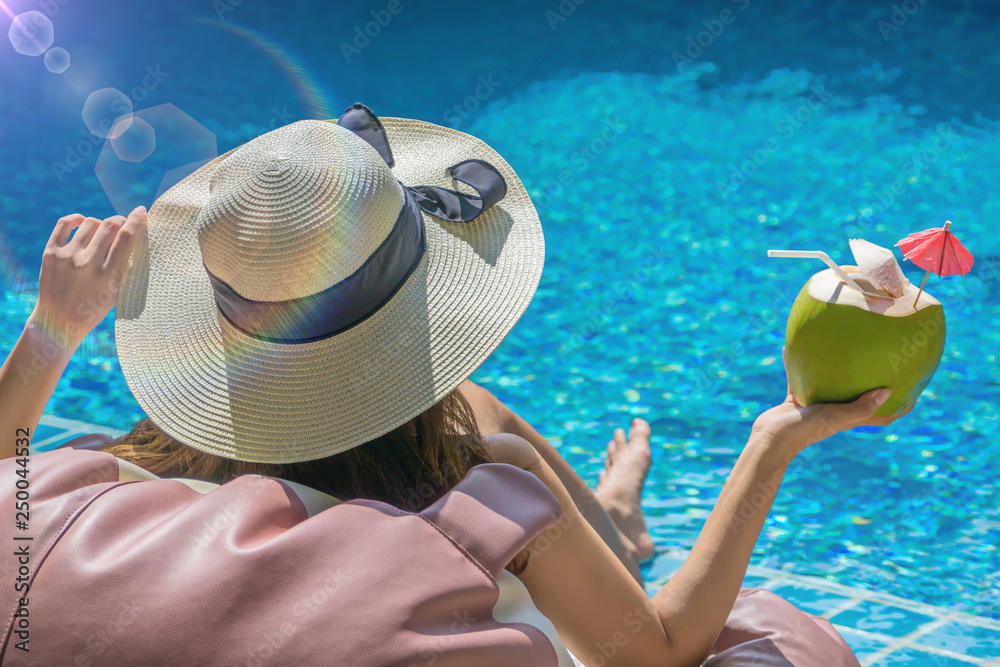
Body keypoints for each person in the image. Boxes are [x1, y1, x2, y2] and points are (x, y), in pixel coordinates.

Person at [0, 105, 912, 666]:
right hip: (540, 562)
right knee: (495, 436)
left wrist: (51, 332)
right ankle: (619, 532)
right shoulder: (486, 504)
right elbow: (660, 652)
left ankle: (616, 524)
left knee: (476, 410)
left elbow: (7, 463)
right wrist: (775, 436)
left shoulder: (124, 475)